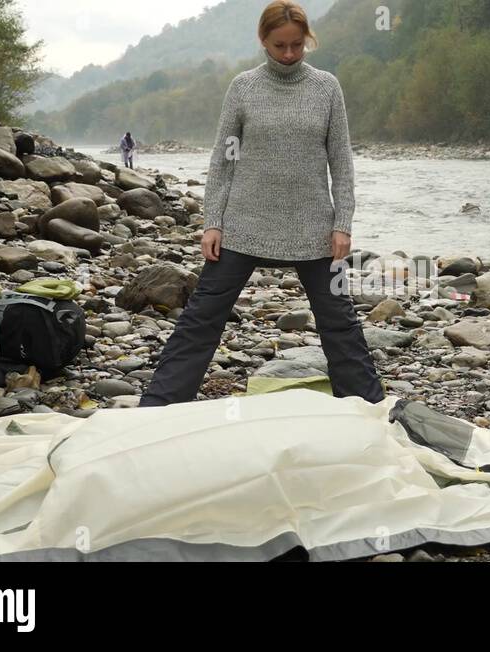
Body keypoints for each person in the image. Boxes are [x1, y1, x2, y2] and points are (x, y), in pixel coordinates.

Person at [140, 1, 385, 408]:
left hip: (313, 228)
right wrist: (212, 222)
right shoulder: (244, 87)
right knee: (201, 319)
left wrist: (343, 223)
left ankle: (370, 411)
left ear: (308, 40)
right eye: (279, 46)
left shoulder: (327, 87)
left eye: (296, 45)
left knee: (339, 322)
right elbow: (222, 160)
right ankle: (157, 410)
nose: (288, 54)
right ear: (263, 41)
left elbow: (341, 161)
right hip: (243, 224)